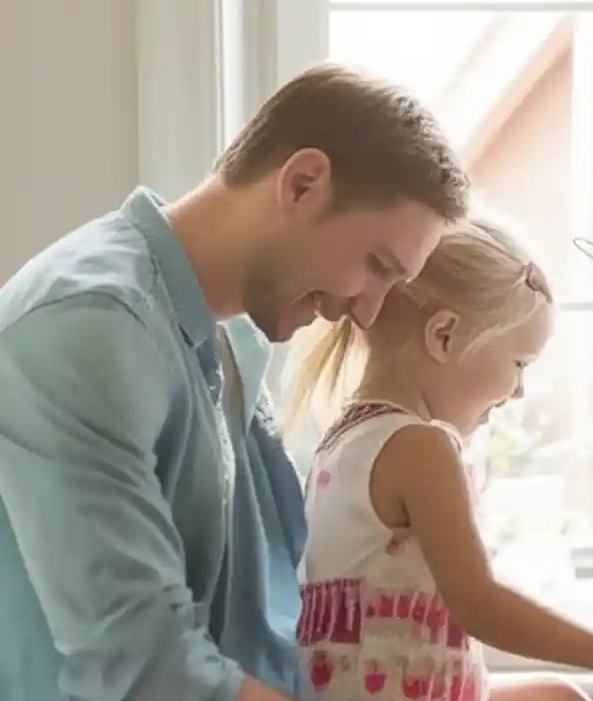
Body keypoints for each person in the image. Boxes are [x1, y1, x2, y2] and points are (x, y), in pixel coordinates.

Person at [0, 63, 470, 700]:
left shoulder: (232, 343)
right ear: (303, 183)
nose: (367, 312)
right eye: (376, 265)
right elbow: (146, 668)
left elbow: (261, 628)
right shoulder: (91, 328)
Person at [283, 218, 593, 700]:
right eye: (519, 364)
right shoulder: (420, 448)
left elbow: (435, 604)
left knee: (558, 696)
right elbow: (479, 604)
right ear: (444, 335)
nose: (520, 390)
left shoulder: (345, 439)